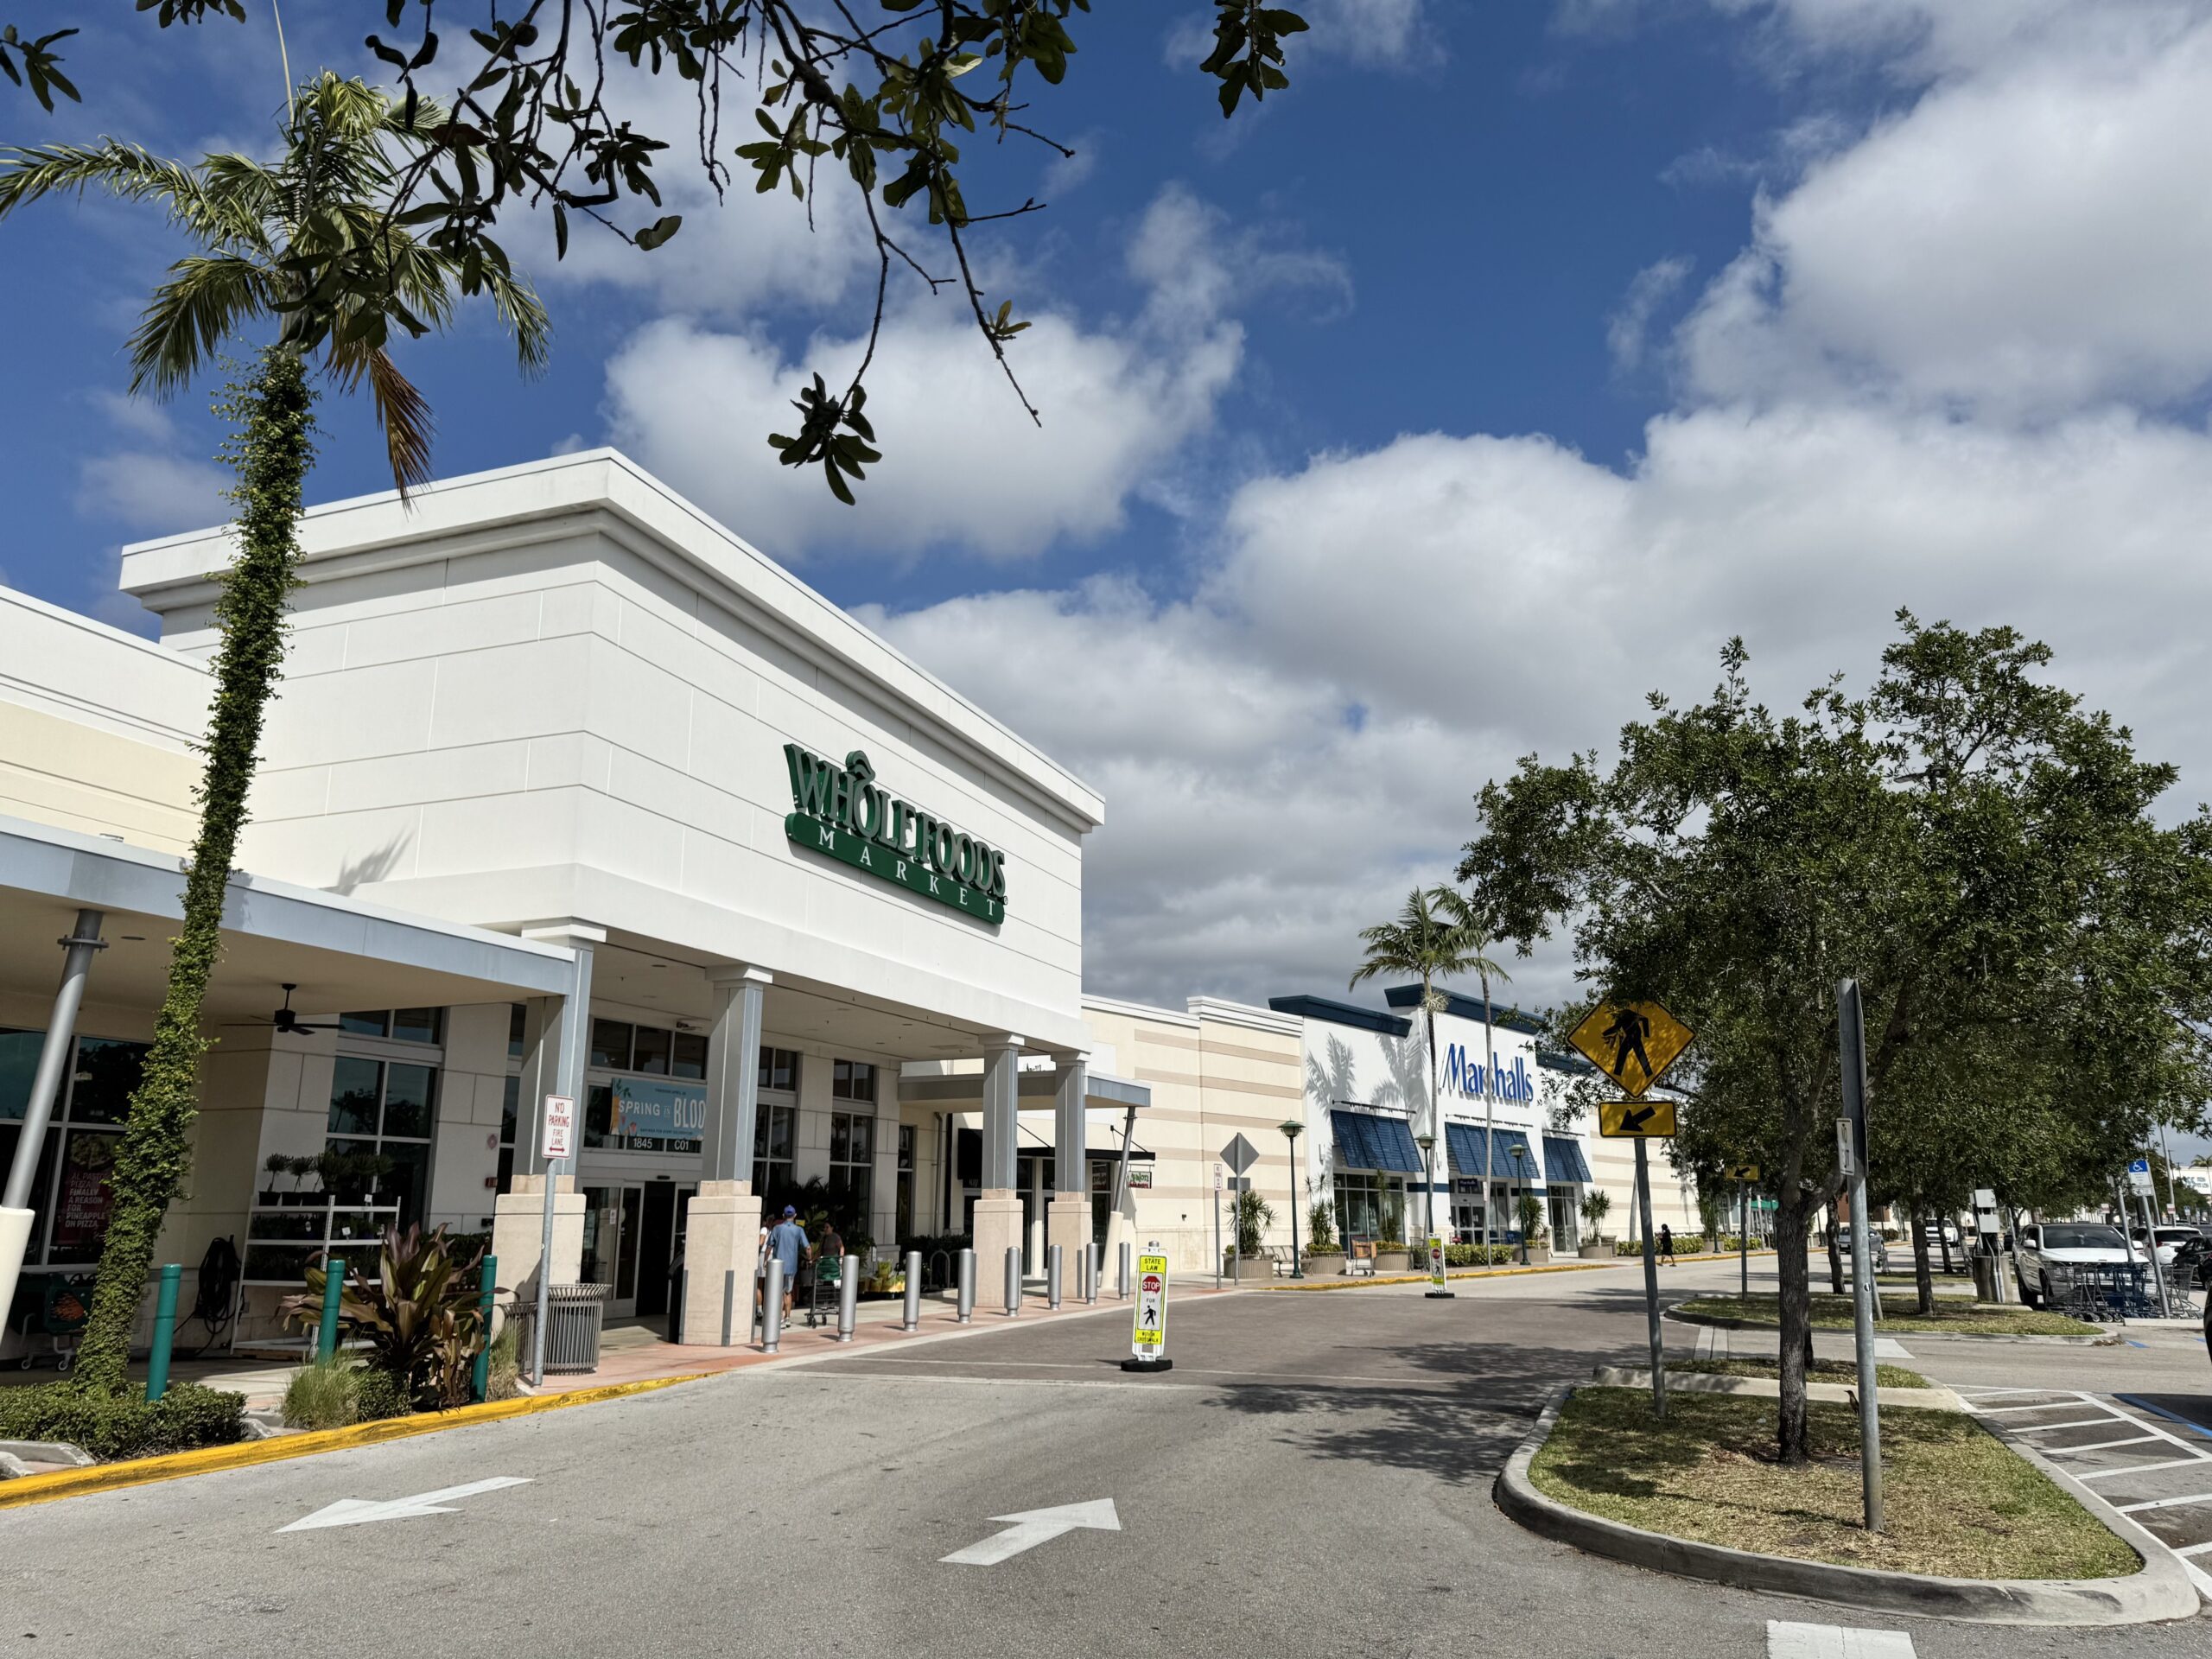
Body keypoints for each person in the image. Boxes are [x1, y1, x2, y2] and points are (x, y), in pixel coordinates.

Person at [765, 1205, 811, 1320]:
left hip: (778, 1266)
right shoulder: (799, 1230)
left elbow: (769, 1246)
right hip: (791, 1267)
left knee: (779, 1292)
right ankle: (788, 1318)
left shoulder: (777, 1228)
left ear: (783, 1216)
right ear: (795, 1216)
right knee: (788, 1292)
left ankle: (779, 1318)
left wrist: (765, 1260)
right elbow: (808, 1248)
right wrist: (810, 1259)